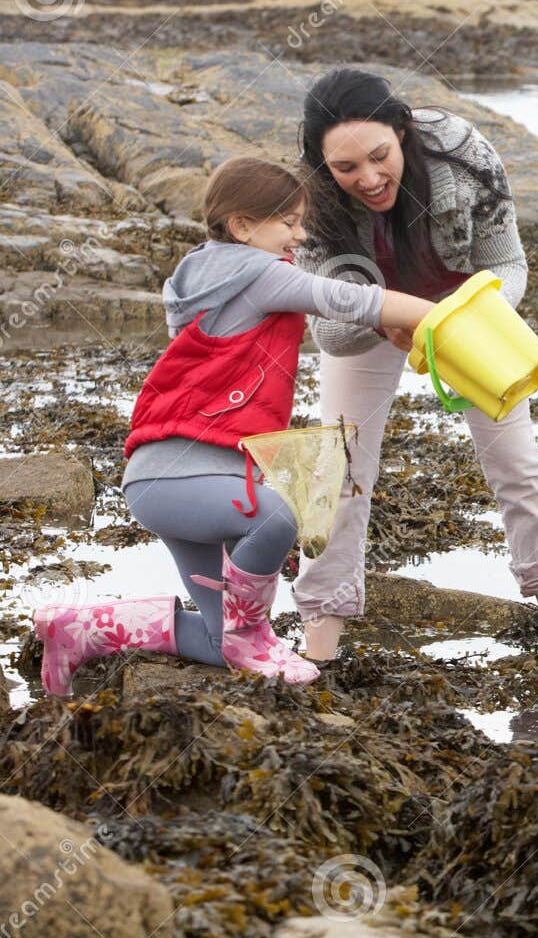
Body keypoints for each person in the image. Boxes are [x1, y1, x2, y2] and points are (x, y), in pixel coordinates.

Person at [32, 157, 436, 696]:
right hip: (181, 480)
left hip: (171, 482)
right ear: (242, 226)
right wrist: (436, 315)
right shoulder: (257, 272)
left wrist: (392, 323)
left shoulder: (201, 275)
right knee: (275, 518)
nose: (300, 233)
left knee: (222, 642)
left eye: (301, 221)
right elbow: (346, 300)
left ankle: (78, 630)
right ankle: (252, 629)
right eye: (287, 222)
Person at [290, 69, 538, 658]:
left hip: (465, 318)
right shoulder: (311, 201)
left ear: (402, 131)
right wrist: (383, 317)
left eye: (380, 156)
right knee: (338, 476)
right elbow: (325, 329)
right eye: (347, 169)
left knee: (516, 463)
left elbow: (511, 265)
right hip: (371, 319)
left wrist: (458, 318)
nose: (369, 179)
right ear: (324, 167)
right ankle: (317, 652)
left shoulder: (464, 154)